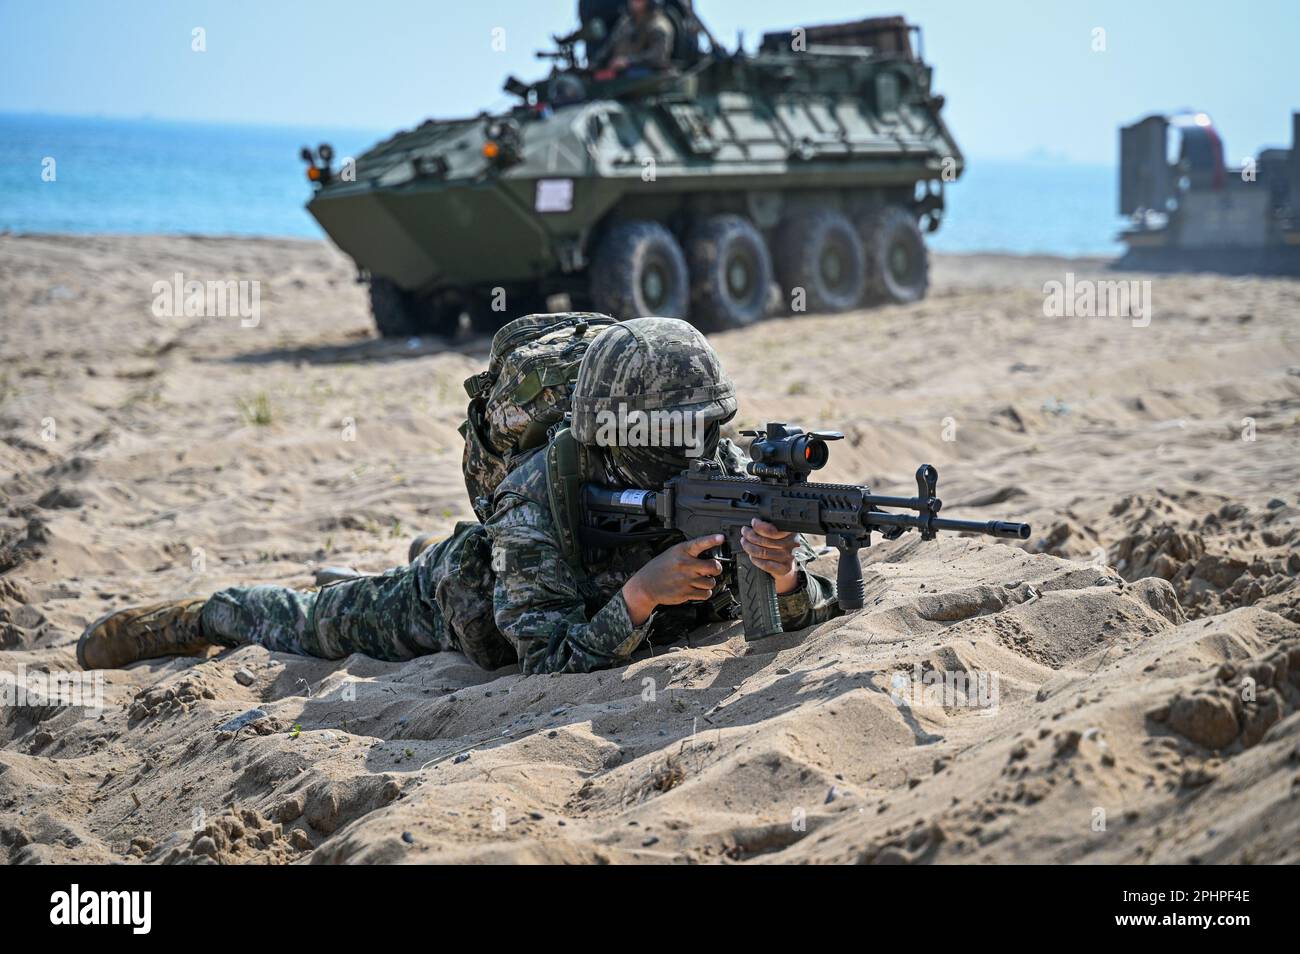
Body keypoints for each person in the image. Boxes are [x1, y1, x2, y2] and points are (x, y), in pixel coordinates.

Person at [77, 317, 840, 675]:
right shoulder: (537, 497)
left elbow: (804, 614)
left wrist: (785, 578)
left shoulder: (724, 469)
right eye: (673, 441)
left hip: (530, 575)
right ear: (618, 436)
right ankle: (190, 616)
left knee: (497, 564)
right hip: (466, 607)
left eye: (702, 435)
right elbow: (544, 661)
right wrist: (640, 597)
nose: (694, 456)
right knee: (316, 621)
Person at [600, 0, 675, 73]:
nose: (633, 2)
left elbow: (658, 57)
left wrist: (628, 62)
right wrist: (594, 65)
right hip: (620, 77)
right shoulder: (625, 22)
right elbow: (609, 47)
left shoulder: (659, 26)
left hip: (649, 78)